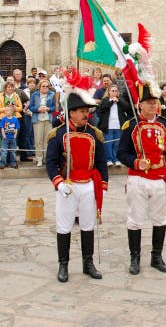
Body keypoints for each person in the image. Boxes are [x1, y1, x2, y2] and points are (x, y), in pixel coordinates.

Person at [116, 81, 166, 275]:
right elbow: (121, 152)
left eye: (155, 102)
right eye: (149, 102)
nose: (153, 106)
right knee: (135, 219)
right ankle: (135, 257)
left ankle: (156, 256)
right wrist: (135, 162)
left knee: (160, 219)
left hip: (160, 178)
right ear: (140, 105)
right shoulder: (132, 125)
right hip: (138, 179)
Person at [46, 87, 108, 283]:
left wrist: (102, 184)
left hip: (88, 184)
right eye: (81, 111)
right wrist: (58, 182)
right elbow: (50, 162)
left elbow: (100, 161)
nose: (85, 114)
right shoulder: (58, 135)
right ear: (71, 112)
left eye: (87, 111)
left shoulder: (94, 134)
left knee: (88, 225)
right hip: (68, 185)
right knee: (64, 226)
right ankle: (63, 264)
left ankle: (87, 263)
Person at [98, 85, 132, 167]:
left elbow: (127, 107)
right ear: (109, 92)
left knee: (117, 143)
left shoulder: (120, 101)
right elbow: (101, 108)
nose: (114, 92)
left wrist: (118, 101)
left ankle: (116, 159)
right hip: (108, 126)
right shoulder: (105, 100)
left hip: (118, 125)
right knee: (108, 144)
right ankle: (109, 159)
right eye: (112, 91)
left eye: (116, 91)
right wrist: (111, 102)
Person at [29, 79, 59, 167]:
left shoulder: (52, 94)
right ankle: (39, 158)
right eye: (43, 86)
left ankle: (47, 158)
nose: (45, 88)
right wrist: (38, 109)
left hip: (48, 119)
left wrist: (48, 109)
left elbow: (56, 107)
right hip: (37, 119)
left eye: (47, 86)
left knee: (47, 140)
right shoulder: (34, 95)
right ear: (39, 87)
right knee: (38, 140)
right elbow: (30, 107)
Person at [0, 103, 20, 170]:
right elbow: (1, 128)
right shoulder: (3, 119)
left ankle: (13, 163)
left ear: (12, 112)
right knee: (4, 151)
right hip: (5, 138)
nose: (6, 112)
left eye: (8, 111)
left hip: (12, 138)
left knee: (12, 151)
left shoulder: (15, 119)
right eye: (6, 110)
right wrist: (3, 135)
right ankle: (2, 163)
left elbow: (16, 128)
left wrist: (15, 135)